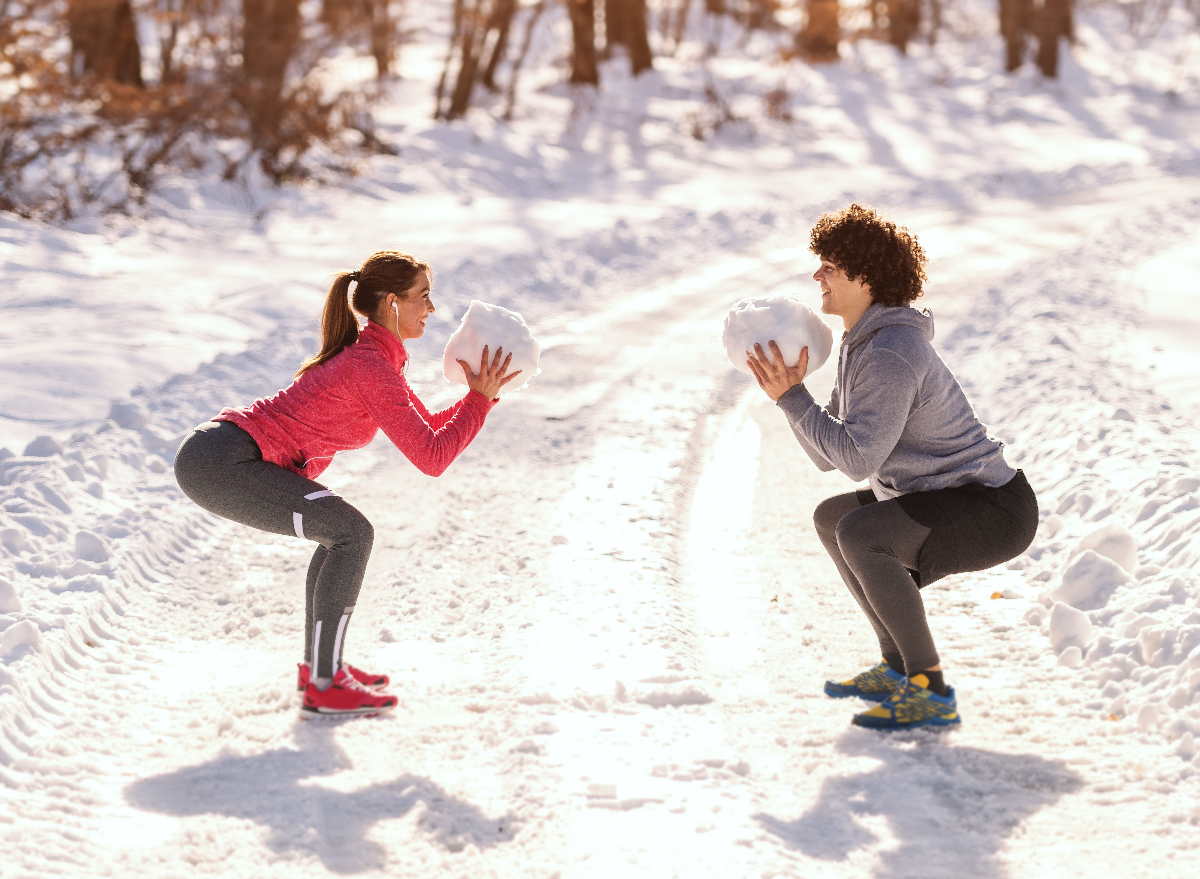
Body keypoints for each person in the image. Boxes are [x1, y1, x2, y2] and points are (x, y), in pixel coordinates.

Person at [174, 251, 520, 717]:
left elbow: (429, 431)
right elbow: (432, 457)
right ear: (392, 303)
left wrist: (481, 397)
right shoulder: (369, 365)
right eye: (423, 296)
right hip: (220, 460)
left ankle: (323, 669)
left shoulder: (377, 360)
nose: (432, 308)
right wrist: (477, 401)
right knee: (351, 533)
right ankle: (325, 683)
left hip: (223, 455)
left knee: (340, 534)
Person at [746, 204, 1037, 731]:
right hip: (946, 497)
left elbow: (858, 460)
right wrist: (792, 397)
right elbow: (827, 457)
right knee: (833, 518)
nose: (817, 277)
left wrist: (793, 399)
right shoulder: (862, 344)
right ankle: (898, 668)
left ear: (865, 277)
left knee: (861, 531)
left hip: (992, 507)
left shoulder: (889, 351)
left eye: (830, 267)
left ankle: (929, 692)